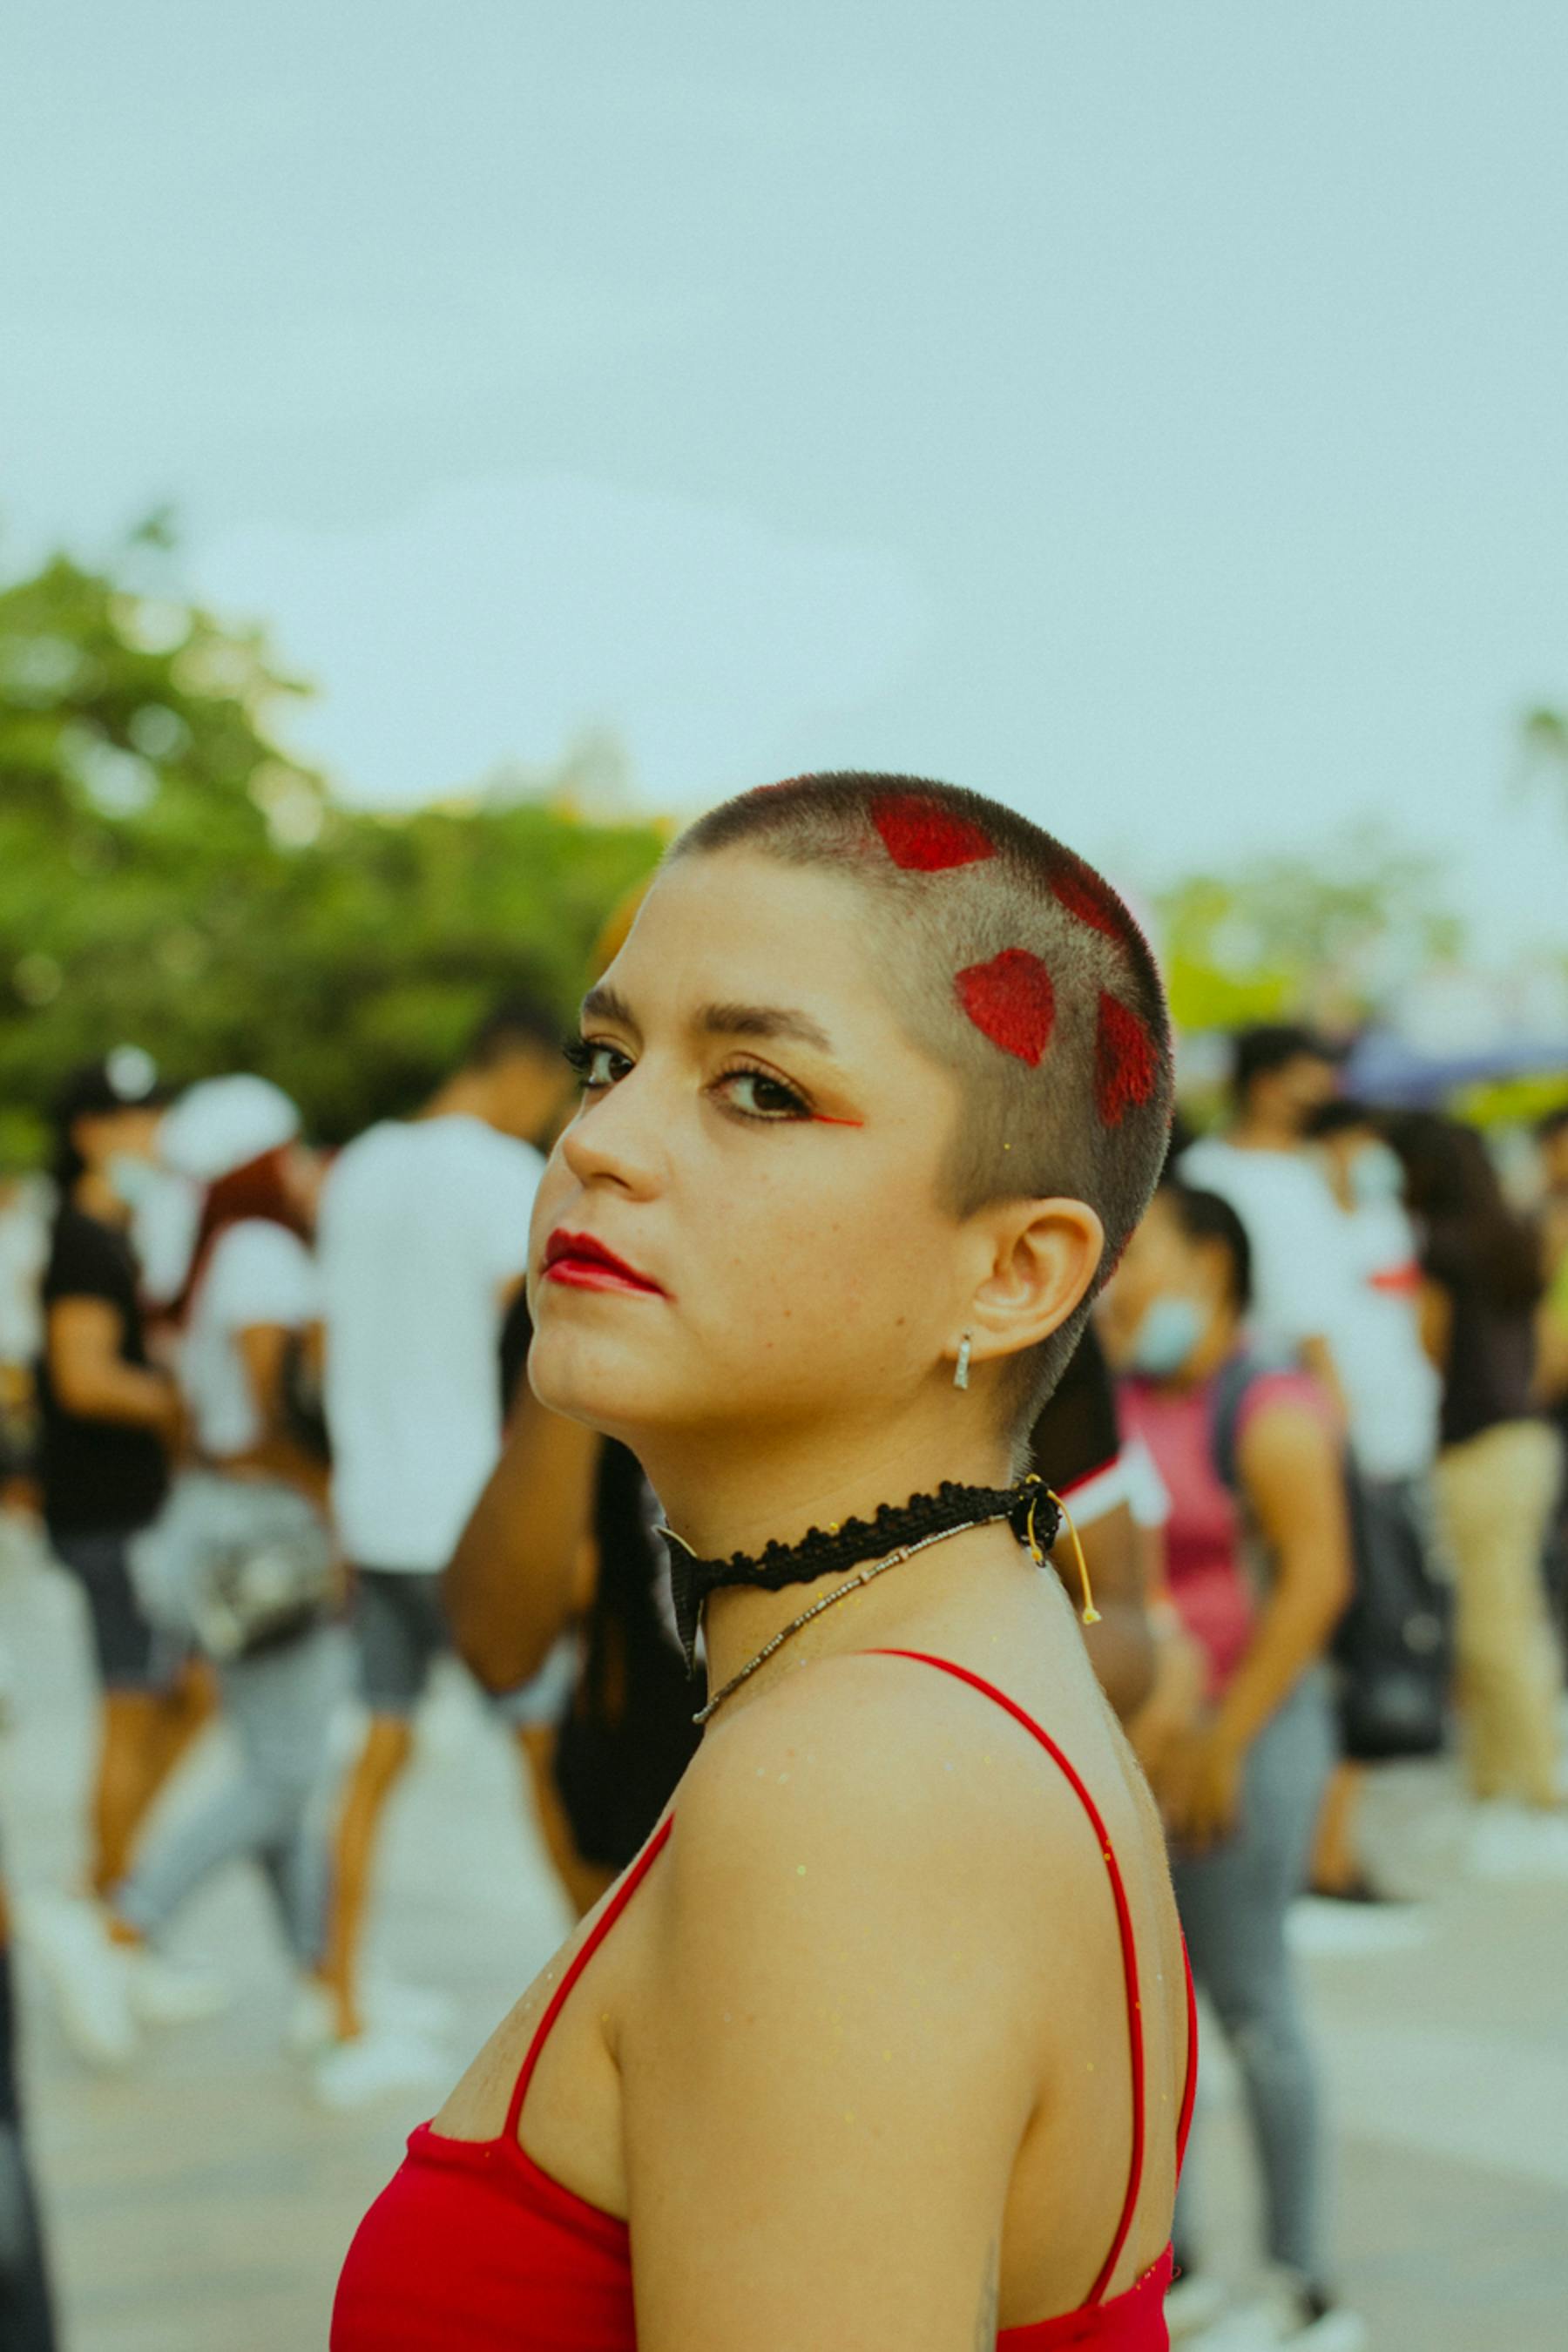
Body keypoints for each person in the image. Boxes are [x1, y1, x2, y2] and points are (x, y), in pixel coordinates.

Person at [335, 772, 1195, 2351]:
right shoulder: (922, 1687)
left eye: (761, 1090)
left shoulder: (859, 1793)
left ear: (1016, 1272)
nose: (601, 1144)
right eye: (608, 1060)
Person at [1105, 1182, 1360, 2351]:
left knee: (1256, 2007)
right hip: (1153, 1740)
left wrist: (1223, 1738)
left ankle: (1306, 2286)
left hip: (1247, 1735)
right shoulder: (1124, 1392)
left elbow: (1316, 1581)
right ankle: (1187, 2265)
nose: (1118, 1281)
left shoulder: (1268, 1405)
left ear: (1210, 1264)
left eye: (1141, 1251)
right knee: (1158, 2015)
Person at [315, 997, 572, 2104]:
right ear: (524, 1078)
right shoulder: (502, 1178)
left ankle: (338, 2004)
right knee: (551, 1760)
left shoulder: (360, 1167)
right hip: (468, 1522)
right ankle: (597, 2003)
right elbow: (545, 1347)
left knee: (375, 1758)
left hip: (372, 1508)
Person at [88, 1077, 348, 2049]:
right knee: (282, 1776)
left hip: (217, 1518)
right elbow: (274, 1408)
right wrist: (331, 1514)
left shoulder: (209, 1252)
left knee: (279, 1765)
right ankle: (122, 1924)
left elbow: (203, 1417)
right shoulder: (262, 1252)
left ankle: (324, 1985)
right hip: (266, 1530)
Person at [20, 1055, 213, 2063]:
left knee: (177, 1696)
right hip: (108, 1512)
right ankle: (96, 1913)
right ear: (91, 1130)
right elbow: (86, 1377)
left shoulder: (114, 1232)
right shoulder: (83, 1239)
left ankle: (110, 1899)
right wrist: (181, 1404)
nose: (152, 1136)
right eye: (134, 1119)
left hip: (129, 1508)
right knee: (133, 1708)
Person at [1391, 1114, 1567, 1871]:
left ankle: (1538, 1788)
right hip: (1525, 1438)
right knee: (1510, 1616)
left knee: (1496, 1628)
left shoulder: (1444, 1247)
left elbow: (1429, 1343)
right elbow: (1548, 1346)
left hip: (1476, 1447)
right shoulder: (1519, 1238)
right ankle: (1499, 1783)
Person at [1301, 1099, 1445, 1906]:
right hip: (1341, 1462)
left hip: (1397, 1452)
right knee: (1346, 1646)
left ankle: (1332, 1848)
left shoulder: (1385, 1220)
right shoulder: (1312, 1228)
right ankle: (1321, 1854)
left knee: (1375, 1642)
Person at [1179, 1027, 1352, 1410]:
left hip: (1344, 1377)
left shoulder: (1317, 1165)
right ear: (1264, 1085)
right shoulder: (1206, 1171)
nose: (1318, 1097)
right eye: (1305, 1083)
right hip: (1264, 1384)